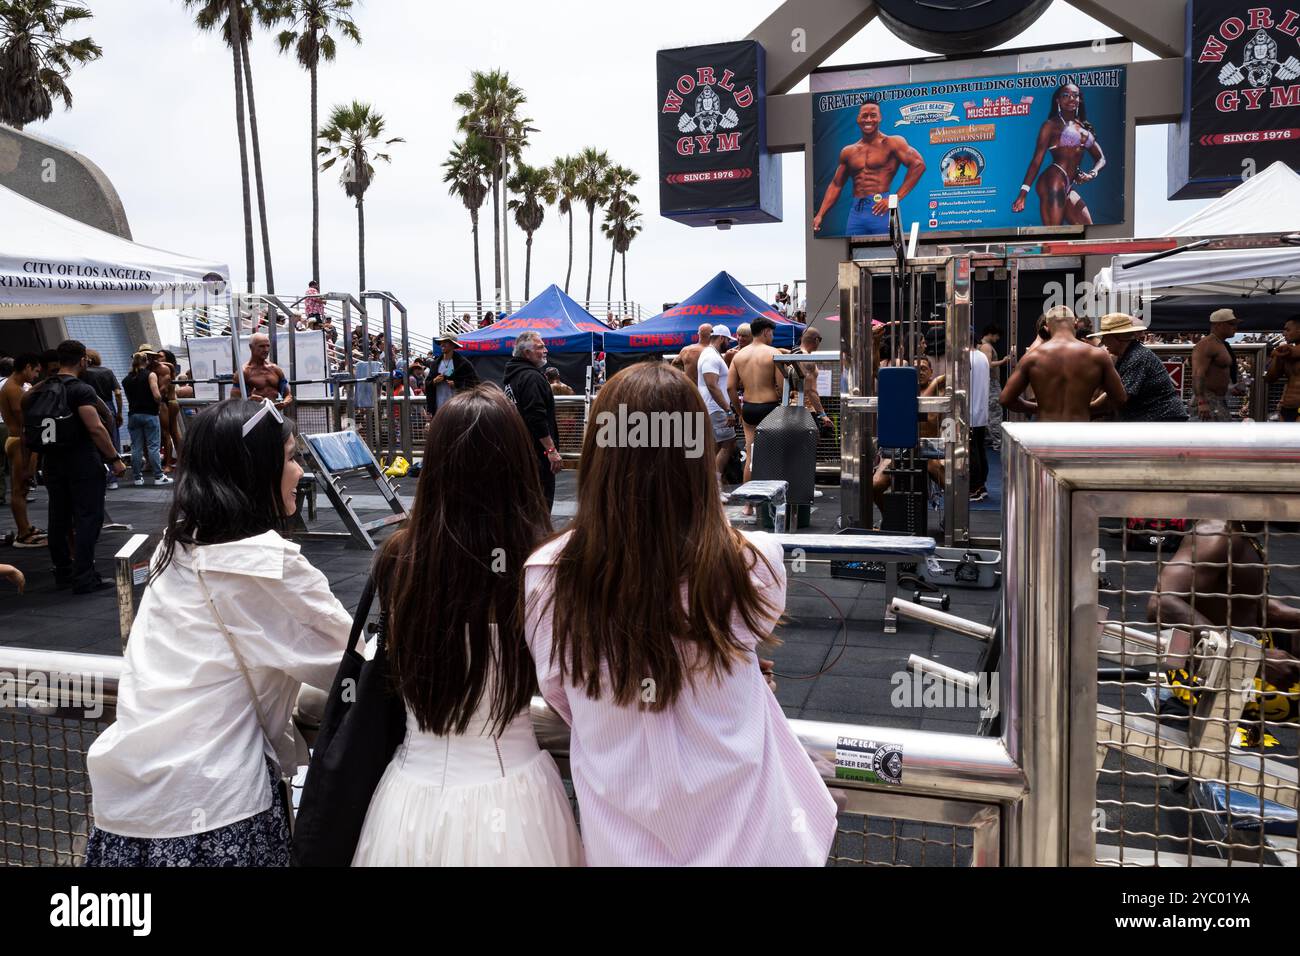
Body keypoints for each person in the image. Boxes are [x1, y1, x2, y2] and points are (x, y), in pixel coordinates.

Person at [522, 362, 838, 865]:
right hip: (749, 840)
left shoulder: (548, 574)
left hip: (622, 844)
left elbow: (560, 692)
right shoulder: (752, 562)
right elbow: (742, 633)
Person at [85, 398, 351, 866]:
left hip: (126, 805)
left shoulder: (178, 543)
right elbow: (350, 663)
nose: (299, 472)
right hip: (219, 811)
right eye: (290, 457)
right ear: (256, 470)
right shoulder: (268, 566)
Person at [351, 387, 584, 866]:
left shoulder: (400, 558)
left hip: (408, 800)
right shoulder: (541, 565)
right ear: (517, 467)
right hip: (514, 795)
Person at [1147, 520, 1300, 746]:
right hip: (1208, 676)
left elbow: (1250, 605)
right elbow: (1160, 604)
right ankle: (1180, 712)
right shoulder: (1215, 533)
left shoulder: (1242, 534)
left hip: (1243, 658)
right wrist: (1258, 660)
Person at [23, 341, 126, 593]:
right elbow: (95, 426)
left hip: (51, 462)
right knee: (88, 517)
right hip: (81, 461)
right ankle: (85, 576)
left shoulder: (38, 390)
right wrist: (114, 458)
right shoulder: (80, 389)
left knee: (58, 517)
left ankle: (63, 572)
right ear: (83, 360)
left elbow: (27, 417)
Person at [813, 99, 926, 236]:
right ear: (858, 118)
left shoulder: (891, 143)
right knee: (855, 254)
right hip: (857, 212)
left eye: (873, 115)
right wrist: (820, 215)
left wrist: (894, 198)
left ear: (880, 118)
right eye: (864, 115)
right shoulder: (848, 151)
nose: (868, 119)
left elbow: (918, 165)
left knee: (888, 254)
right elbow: (836, 185)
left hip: (881, 208)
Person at [1000, 306, 1125, 422]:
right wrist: (1089, 409)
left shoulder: (1032, 357)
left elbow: (1006, 399)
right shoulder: (1097, 355)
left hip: (1046, 432)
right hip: (1081, 430)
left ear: (1047, 328)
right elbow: (1119, 398)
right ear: (1075, 324)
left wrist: (1038, 408)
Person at [1011, 83, 1107, 226]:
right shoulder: (1051, 125)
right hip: (1053, 178)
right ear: (1058, 100)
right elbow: (1037, 161)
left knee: (1089, 232)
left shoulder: (1083, 128)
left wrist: (1091, 174)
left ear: (1079, 100)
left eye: (1075, 95)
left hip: (1068, 185)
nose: (1071, 99)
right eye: (1066, 95)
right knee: (1054, 233)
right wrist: (1023, 194)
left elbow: (1101, 158)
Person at [1089, 313, 1188, 422]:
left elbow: (1120, 396)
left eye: (1105, 337)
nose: (1103, 342)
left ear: (1118, 338)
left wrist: (1089, 408)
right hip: (1151, 418)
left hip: (1163, 418)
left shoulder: (1137, 357)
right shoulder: (1127, 355)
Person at [728, 317, 785, 506]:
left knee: (751, 456)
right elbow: (782, 386)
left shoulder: (739, 356)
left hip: (750, 409)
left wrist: (739, 411)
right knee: (774, 455)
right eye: (772, 333)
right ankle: (774, 503)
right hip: (770, 407)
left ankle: (748, 506)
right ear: (766, 331)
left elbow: (730, 388)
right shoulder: (773, 353)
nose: (772, 337)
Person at [503, 332, 562, 510]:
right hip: (536, 454)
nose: (545, 350)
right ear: (527, 353)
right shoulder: (531, 377)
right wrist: (551, 450)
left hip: (519, 450)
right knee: (539, 504)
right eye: (540, 347)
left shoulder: (511, 376)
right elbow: (536, 417)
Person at [1, 353, 45, 547]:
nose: (36, 376)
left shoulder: (15, 387)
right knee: (19, 489)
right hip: (21, 442)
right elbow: (25, 425)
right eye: (35, 371)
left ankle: (26, 527)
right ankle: (23, 534)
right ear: (27, 367)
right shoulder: (13, 389)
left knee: (23, 488)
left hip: (20, 441)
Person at [698, 325, 737, 497]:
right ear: (721, 338)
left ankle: (712, 488)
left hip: (713, 407)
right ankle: (715, 488)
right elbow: (712, 385)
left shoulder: (711, 355)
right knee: (729, 443)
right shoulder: (710, 356)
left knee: (716, 447)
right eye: (728, 340)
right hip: (715, 408)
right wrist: (728, 410)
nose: (728, 344)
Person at [123, 352, 170, 487]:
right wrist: (159, 401)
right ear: (146, 361)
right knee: (153, 446)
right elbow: (156, 395)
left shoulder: (126, 379)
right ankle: (159, 477)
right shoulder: (151, 375)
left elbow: (129, 397)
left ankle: (137, 478)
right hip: (149, 414)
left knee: (136, 447)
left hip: (133, 415)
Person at [1191, 308, 1245, 422]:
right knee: (1209, 438)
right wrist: (1201, 401)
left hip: (1218, 400)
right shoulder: (1207, 344)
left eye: (1235, 324)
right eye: (1231, 324)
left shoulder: (1220, 344)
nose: (1235, 327)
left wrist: (1231, 388)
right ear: (1218, 325)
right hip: (1208, 400)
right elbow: (1197, 374)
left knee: (1221, 437)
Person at [235, 333, 294, 408]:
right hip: (254, 415)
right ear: (251, 347)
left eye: (268, 346)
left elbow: (288, 395)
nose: (266, 350)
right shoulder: (243, 372)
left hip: (274, 414)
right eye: (261, 346)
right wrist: (249, 400)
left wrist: (284, 403)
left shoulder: (275, 369)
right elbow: (234, 403)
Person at [425, 334, 478, 417]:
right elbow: (428, 382)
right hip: (439, 407)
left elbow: (475, 383)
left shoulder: (463, 363)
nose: (442, 344)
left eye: (446, 342)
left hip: (459, 408)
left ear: (453, 345)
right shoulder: (435, 364)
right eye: (441, 342)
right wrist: (434, 381)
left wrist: (457, 384)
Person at [1265, 317, 1300, 421]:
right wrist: (1278, 356)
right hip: (1287, 408)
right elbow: (1270, 378)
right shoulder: (1284, 355)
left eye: (1288, 330)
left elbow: (1292, 351)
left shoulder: (1288, 352)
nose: (1284, 333)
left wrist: (1278, 352)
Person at [968, 344, 990, 502]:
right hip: (981, 411)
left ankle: (974, 488)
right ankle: (981, 485)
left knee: (972, 451)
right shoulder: (982, 357)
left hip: (970, 412)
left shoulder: (966, 358)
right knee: (980, 449)